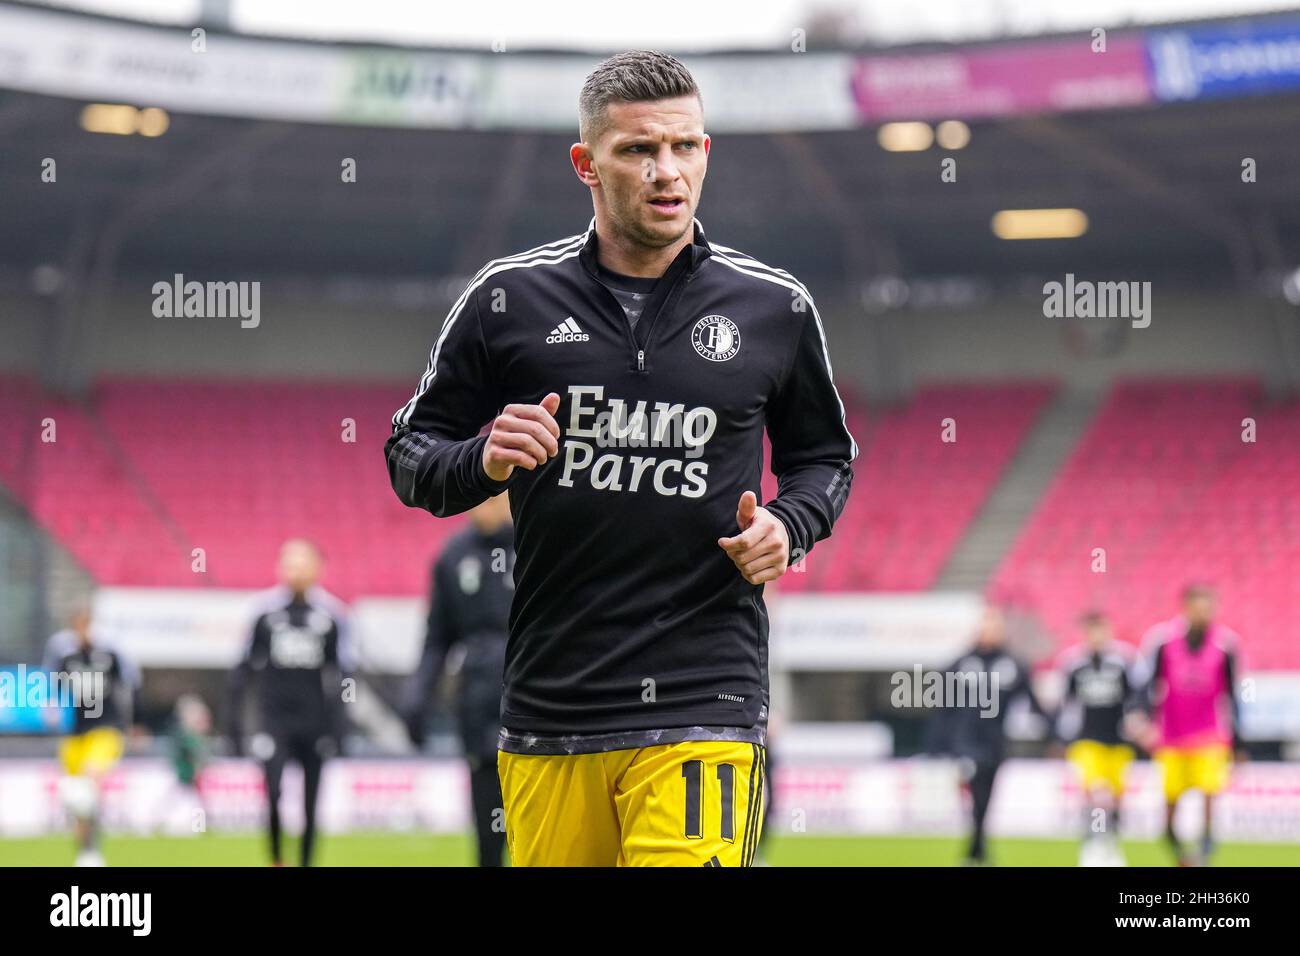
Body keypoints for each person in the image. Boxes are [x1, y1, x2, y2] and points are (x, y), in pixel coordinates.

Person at [385, 50, 856, 866]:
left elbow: (825, 458)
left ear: (706, 152)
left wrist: (791, 522)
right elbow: (408, 455)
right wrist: (482, 460)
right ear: (587, 164)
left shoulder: (774, 307)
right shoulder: (507, 300)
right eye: (639, 150)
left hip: (705, 697)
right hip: (552, 707)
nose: (667, 170)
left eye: (685, 147)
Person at [226, 539, 353, 867]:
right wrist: (235, 726)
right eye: (289, 563)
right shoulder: (264, 615)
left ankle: (307, 862)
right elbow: (243, 673)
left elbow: (341, 677)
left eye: (302, 563)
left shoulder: (331, 617)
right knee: (272, 794)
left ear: (317, 569)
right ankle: (277, 860)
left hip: (315, 724)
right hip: (274, 723)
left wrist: (339, 730)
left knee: (311, 804)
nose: (295, 571)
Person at [405, 492, 514, 866]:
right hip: (478, 702)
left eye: (493, 498)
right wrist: (418, 696)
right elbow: (437, 638)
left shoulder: (535, 544)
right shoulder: (452, 556)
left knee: (539, 820)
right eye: (478, 498)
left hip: (535, 698)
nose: (483, 506)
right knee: (486, 820)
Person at [926, 605, 1048, 866]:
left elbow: (1031, 701)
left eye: (994, 626)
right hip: (965, 741)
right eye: (985, 625)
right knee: (977, 794)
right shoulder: (961, 663)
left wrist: (1052, 729)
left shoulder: (1013, 663)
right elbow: (944, 707)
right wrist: (939, 744)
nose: (989, 631)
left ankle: (976, 849)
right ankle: (976, 850)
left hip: (995, 743)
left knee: (986, 797)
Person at [1138, 583, 1243, 867]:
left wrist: (1239, 742)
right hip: (1172, 738)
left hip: (1210, 737)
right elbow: (1147, 686)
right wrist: (1143, 718)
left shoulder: (1225, 646)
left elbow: (1234, 697)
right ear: (1185, 608)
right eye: (1198, 608)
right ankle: (1181, 855)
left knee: (1210, 795)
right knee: (1170, 809)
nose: (1204, 614)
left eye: (1209, 608)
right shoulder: (1162, 643)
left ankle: (1204, 855)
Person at [48, 603, 141, 867]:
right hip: (77, 734)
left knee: (90, 781)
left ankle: (93, 849)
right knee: (77, 797)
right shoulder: (67, 660)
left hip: (106, 728)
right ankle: (86, 851)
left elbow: (132, 683)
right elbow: (53, 688)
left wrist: (136, 721)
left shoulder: (109, 655)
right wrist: (51, 705)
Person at [1057, 610, 1140, 866]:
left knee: (1115, 797)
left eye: (1101, 630)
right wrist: (1062, 736)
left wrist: (1137, 721)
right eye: (1092, 631)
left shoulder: (1123, 662)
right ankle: (1092, 842)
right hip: (1087, 740)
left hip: (1118, 740)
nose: (1097, 637)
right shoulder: (1074, 663)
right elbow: (1065, 703)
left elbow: (1136, 697)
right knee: (1095, 792)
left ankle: (1111, 843)